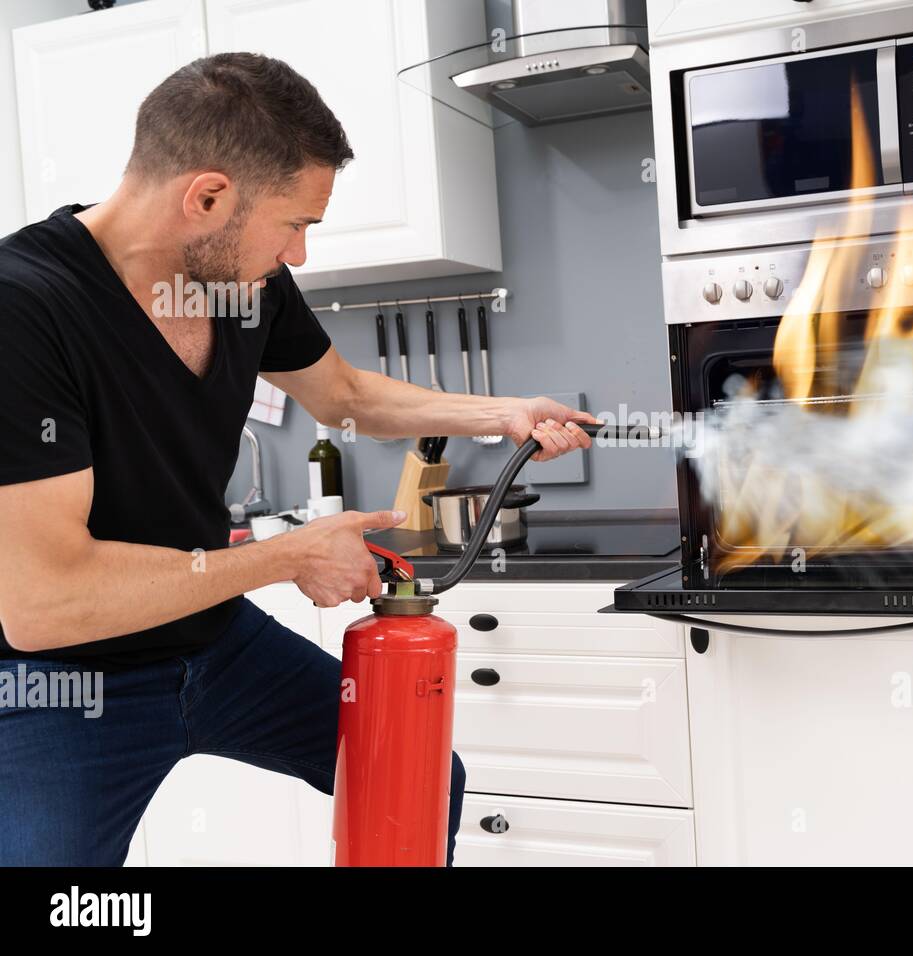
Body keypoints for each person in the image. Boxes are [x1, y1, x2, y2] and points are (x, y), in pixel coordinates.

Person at [0, 52, 596, 866]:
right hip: (65, 687)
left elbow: (345, 394)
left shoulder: (244, 282)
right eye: (297, 224)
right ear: (206, 197)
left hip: (213, 642)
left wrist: (504, 412)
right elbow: (43, 603)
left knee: (422, 779)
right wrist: (286, 558)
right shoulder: (23, 309)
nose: (301, 256)